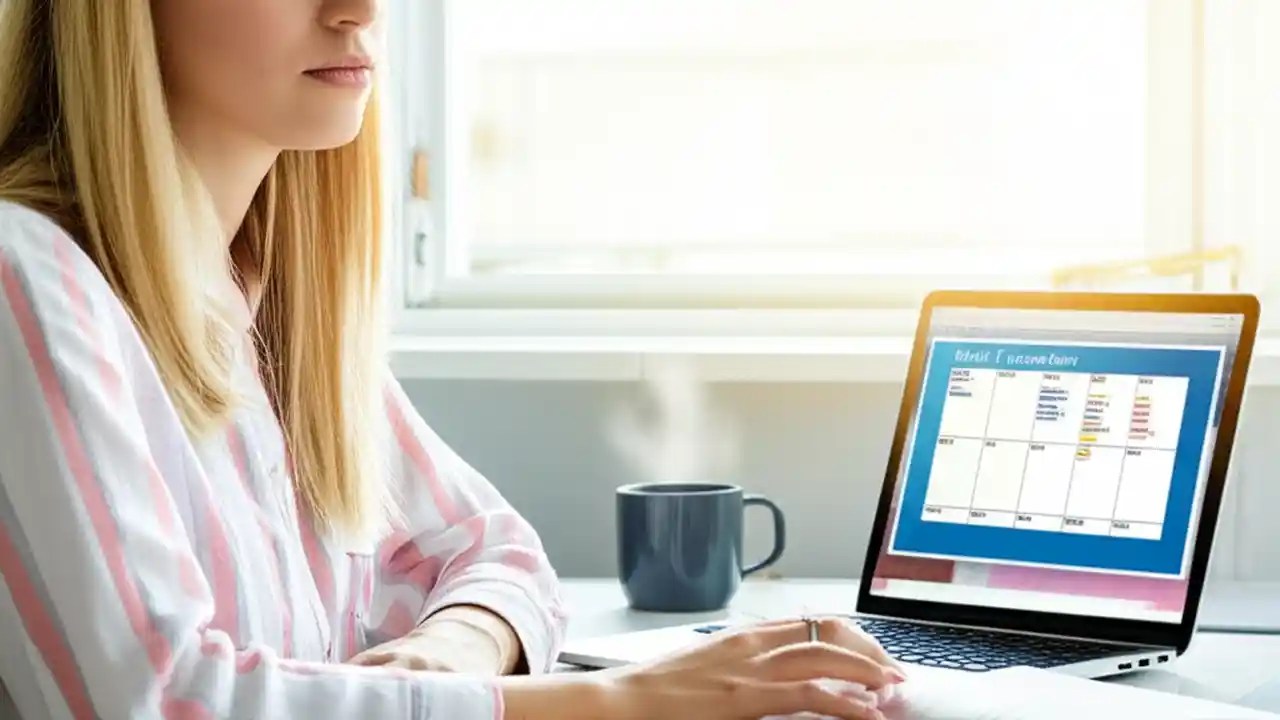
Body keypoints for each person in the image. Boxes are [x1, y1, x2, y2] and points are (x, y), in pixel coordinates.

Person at [0, 1, 904, 718]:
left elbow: (492, 547)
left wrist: (454, 650)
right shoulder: (26, 275)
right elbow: (162, 702)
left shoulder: (265, 301)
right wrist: (628, 699)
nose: (359, 9)